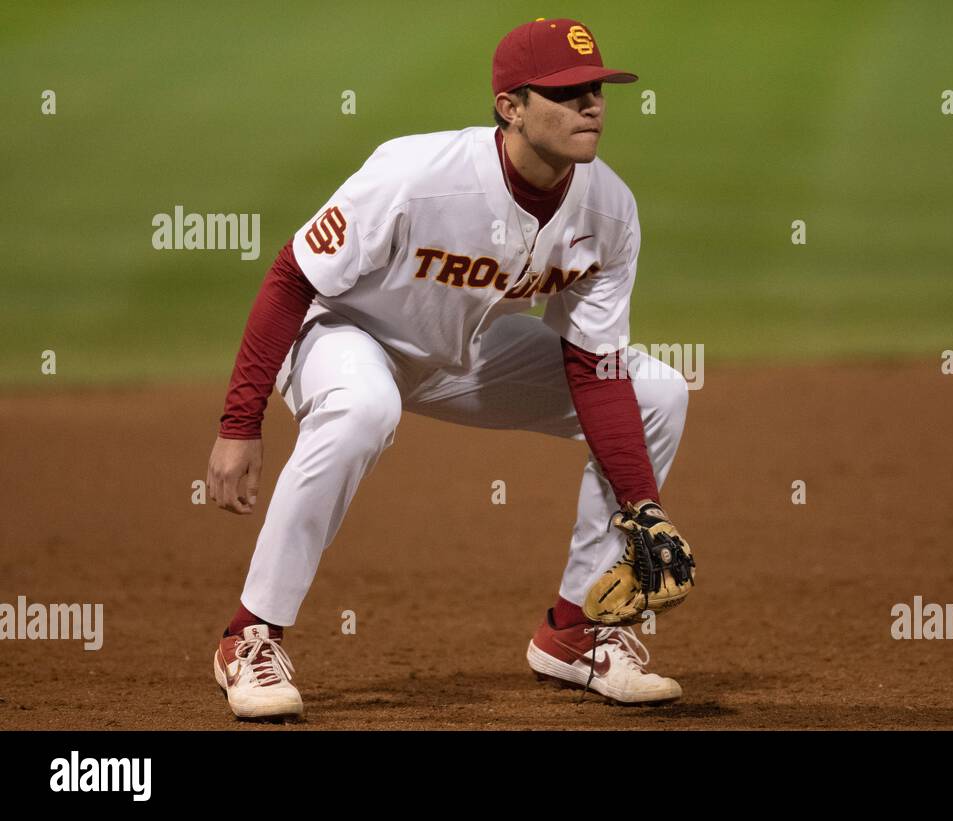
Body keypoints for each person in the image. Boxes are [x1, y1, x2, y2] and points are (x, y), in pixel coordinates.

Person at [206, 18, 694, 720]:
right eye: (566, 92)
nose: (591, 104)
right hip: (343, 336)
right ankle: (248, 637)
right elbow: (291, 277)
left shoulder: (609, 209)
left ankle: (576, 632)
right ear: (511, 107)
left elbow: (595, 364)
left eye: (597, 88)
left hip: (457, 355)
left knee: (661, 389)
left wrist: (641, 503)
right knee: (366, 407)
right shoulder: (417, 176)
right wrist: (239, 421)